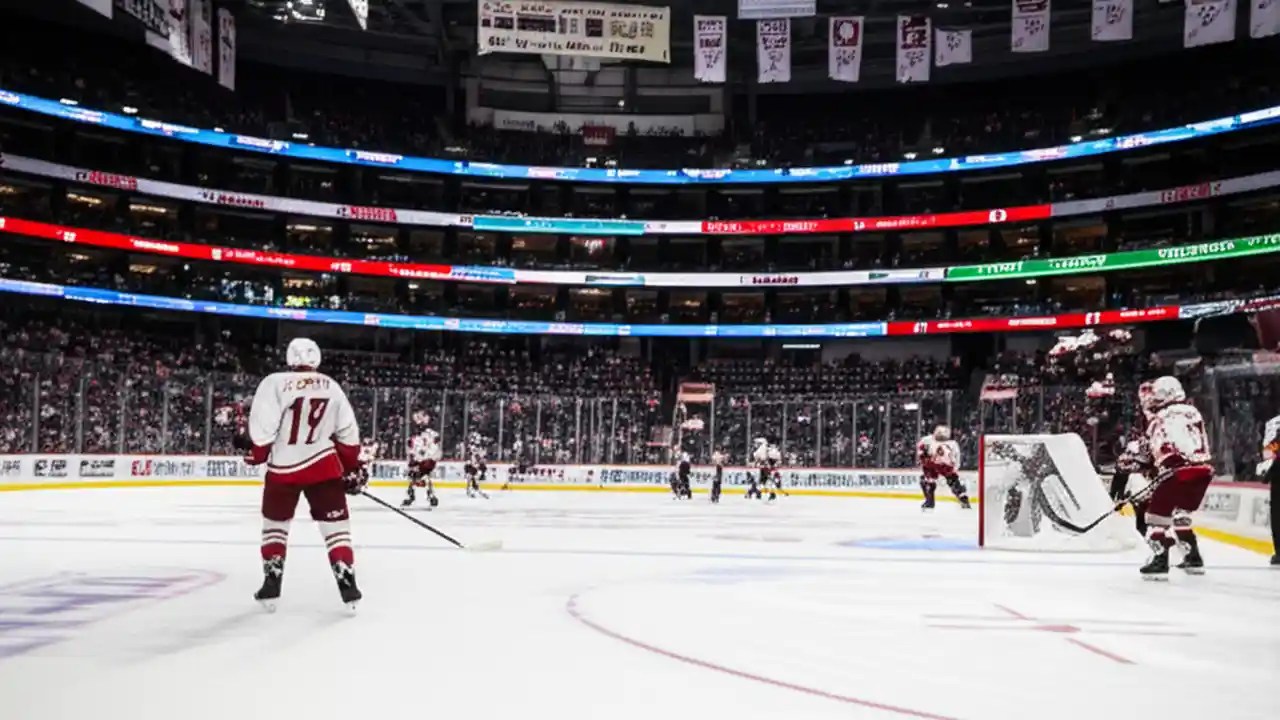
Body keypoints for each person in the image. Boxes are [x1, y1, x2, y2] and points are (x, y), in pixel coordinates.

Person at [244, 337, 364, 611]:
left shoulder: (274, 383)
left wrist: (256, 455)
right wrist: (350, 467)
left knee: (275, 526)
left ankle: (271, 584)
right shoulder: (332, 386)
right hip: (324, 468)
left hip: (282, 471)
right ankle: (348, 585)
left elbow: (262, 433)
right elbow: (348, 435)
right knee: (336, 531)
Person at [1140, 376, 1213, 579]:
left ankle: (1160, 560)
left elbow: (1165, 445)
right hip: (1203, 470)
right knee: (1182, 514)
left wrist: (1164, 462)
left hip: (1177, 471)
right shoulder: (1192, 412)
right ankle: (1193, 557)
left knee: (1157, 517)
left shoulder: (1164, 416)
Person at [918, 425, 970, 510]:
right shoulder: (927, 440)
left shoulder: (951, 443)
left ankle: (963, 499)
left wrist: (955, 467)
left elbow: (956, 457)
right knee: (927, 481)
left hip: (943, 465)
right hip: (935, 464)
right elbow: (921, 452)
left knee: (953, 482)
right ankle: (929, 501)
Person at [402, 420, 440, 509]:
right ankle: (428, 496)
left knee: (418, 478)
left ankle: (416, 496)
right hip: (425, 461)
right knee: (419, 478)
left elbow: (413, 451)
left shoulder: (419, 439)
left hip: (425, 461)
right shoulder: (423, 437)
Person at [1258, 413, 1280, 565]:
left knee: (1277, 514)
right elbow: (1268, 451)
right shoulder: (1274, 423)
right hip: (1277, 472)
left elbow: (1268, 452)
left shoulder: (1273, 423)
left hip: (1277, 471)